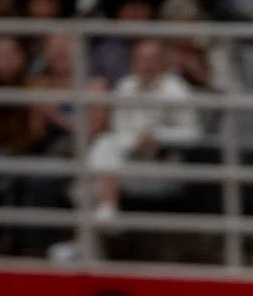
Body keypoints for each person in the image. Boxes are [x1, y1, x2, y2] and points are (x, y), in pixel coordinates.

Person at [85, 39, 200, 224]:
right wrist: (134, 141)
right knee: (103, 144)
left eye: (152, 59)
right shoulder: (125, 87)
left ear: (163, 63)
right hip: (127, 156)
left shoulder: (177, 90)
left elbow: (193, 134)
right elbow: (118, 129)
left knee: (92, 182)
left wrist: (158, 136)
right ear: (132, 63)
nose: (147, 64)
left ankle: (101, 224)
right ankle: (106, 215)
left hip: (161, 160)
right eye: (141, 59)